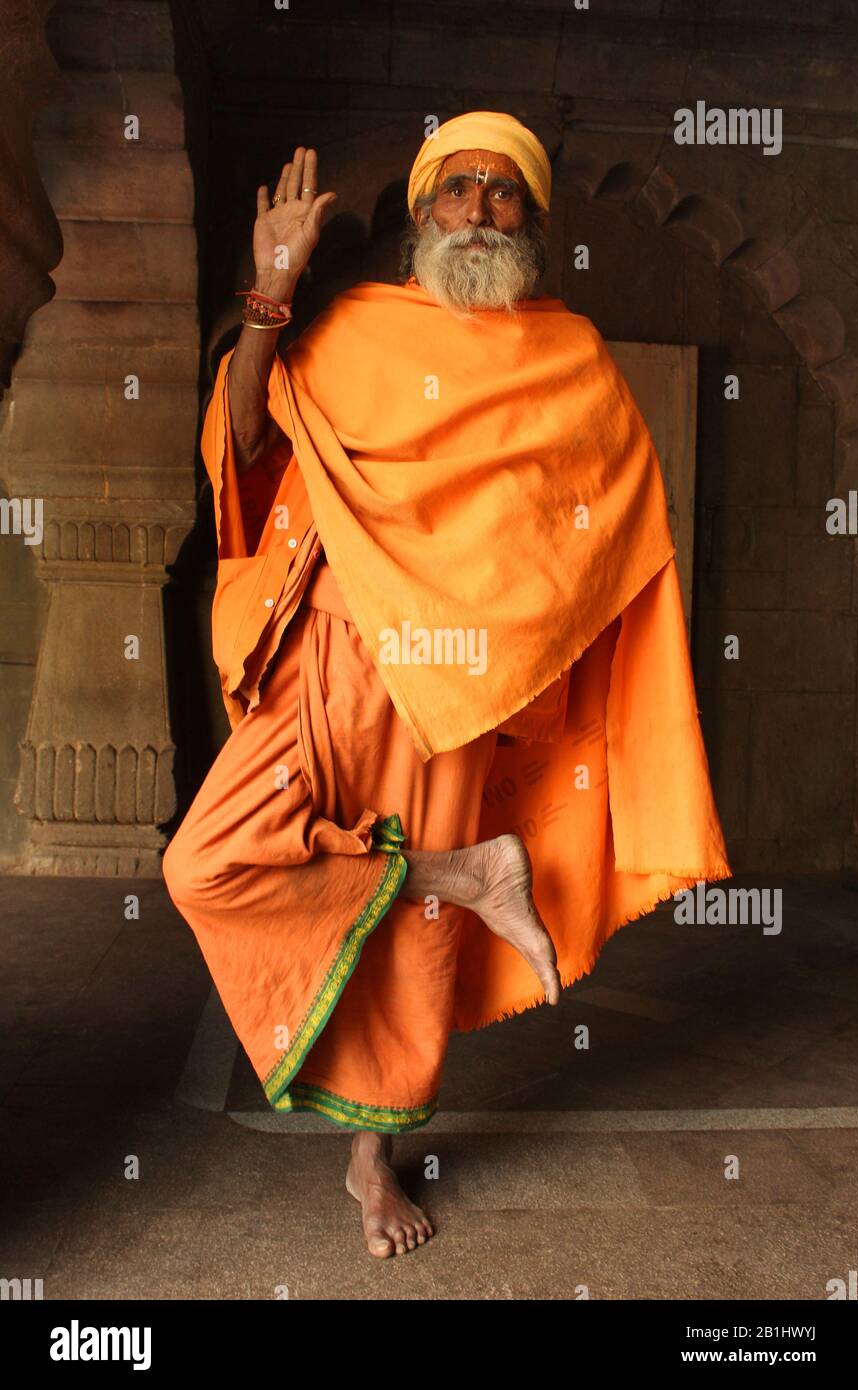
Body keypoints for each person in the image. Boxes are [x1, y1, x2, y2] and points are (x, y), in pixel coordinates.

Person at [163, 111, 732, 1260]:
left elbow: (611, 532)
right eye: (456, 187)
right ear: (421, 213)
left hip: (458, 687)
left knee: (411, 943)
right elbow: (245, 439)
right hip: (323, 647)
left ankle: (371, 1159)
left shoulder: (573, 361)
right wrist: (269, 291)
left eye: (502, 192)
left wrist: (518, 628)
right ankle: (466, 873)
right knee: (208, 858)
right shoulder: (359, 328)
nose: (476, 207)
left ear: (532, 223)